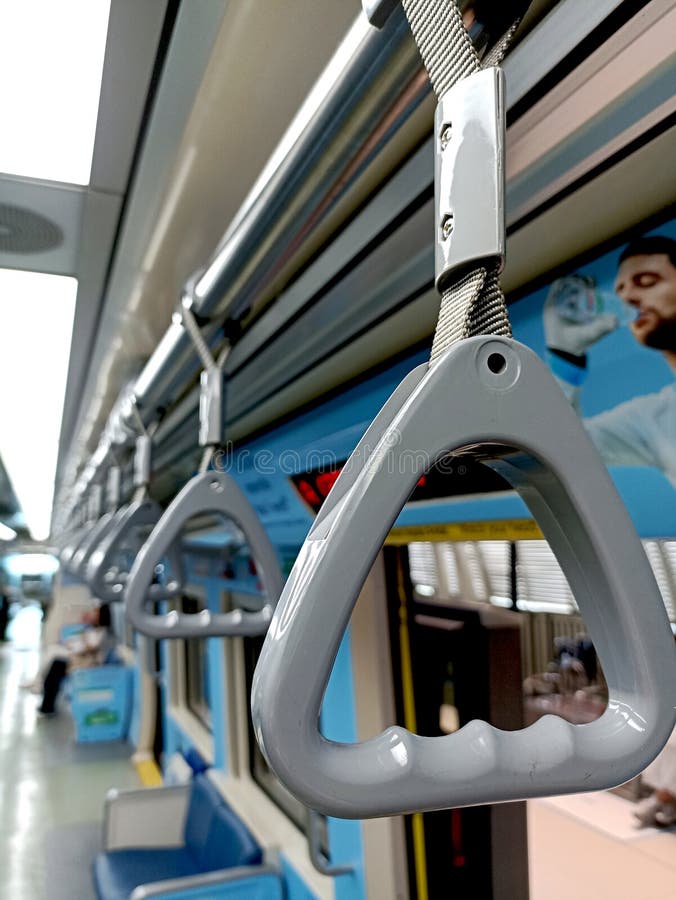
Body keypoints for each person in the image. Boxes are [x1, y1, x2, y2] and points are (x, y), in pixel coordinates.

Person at [544, 235, 676, 486]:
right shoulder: (652, 418)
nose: (628, 298)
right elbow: (558, 450)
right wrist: (564, 357)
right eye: (620, 291)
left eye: (647, 282)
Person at [37, 603, 116, 716]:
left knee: (56, 665)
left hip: (88, 664)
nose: (93, 614)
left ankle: (47, 705)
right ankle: (46, 703)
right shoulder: (94, 629)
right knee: (55, 663)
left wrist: (77, 646)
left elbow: (90, 648)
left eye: (96, 612)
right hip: (80, 659)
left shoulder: (103, 633)